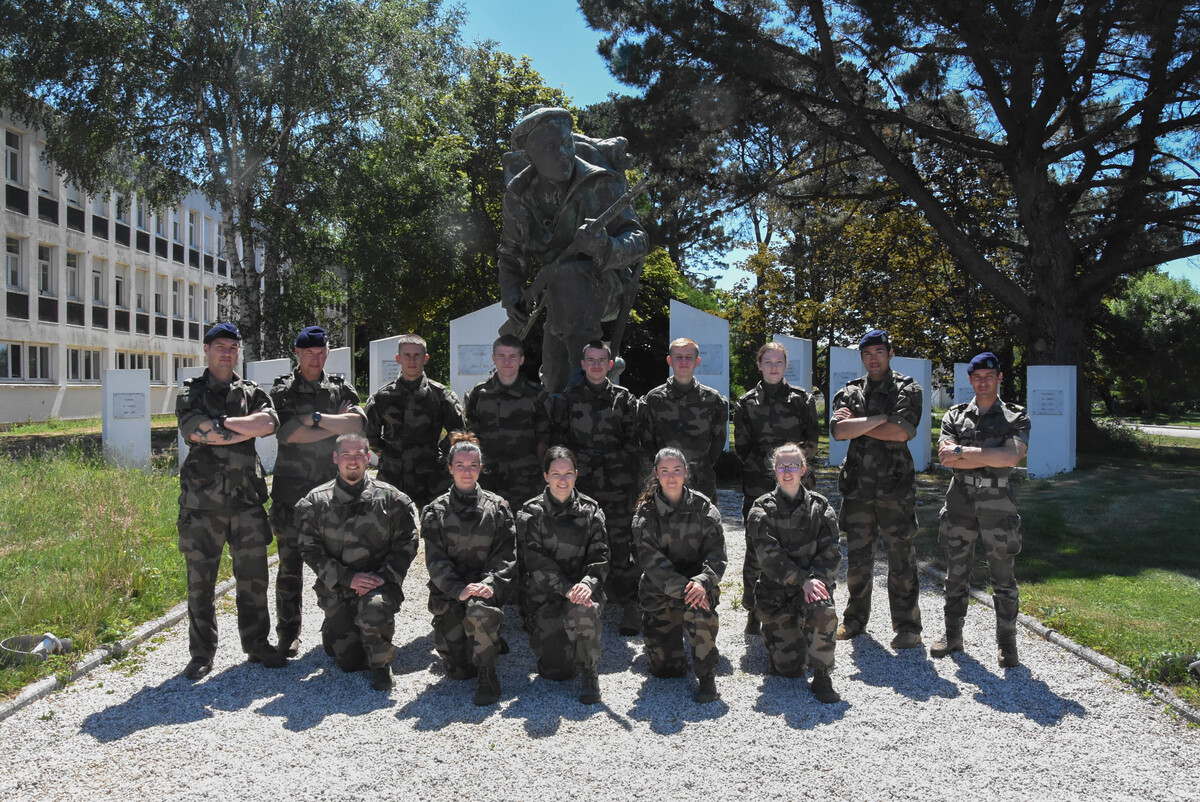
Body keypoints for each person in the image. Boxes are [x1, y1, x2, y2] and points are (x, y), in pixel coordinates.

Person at [497, 105, 648, 393]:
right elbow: (510, 252)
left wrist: (604, 246)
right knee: (555, 379)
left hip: (606, 285)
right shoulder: (518, 197)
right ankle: (564, 395)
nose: (564, 154)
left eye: (567, 143)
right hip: (558, 297)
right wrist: (513, 295)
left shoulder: (601, 182)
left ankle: (584, 387)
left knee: (568, 276)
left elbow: (639, 240)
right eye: (551, 148)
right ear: (530, 157)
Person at [175, 322, 283, 680]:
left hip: (246, 502)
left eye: (232, 347)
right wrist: (242, 428)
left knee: (254, 580)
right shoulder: (192, 392)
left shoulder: (252, 392)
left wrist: (221, 424)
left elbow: (269, 424)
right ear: (206, 350)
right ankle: (201, 653)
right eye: (220, 346)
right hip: (202, 505)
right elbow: (195, 430)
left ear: (239, 352)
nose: (226, 353)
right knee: (200, 585)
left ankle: (257, 644)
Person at [268, 325, 366, 657]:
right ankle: (288, 633)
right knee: (289, 566)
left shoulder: (340, 387)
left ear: (328, 352)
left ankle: (339, 629)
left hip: (332, 495)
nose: (315, 359)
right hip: (291, 494)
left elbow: (357, 425)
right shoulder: (283, 390)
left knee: (337, 563)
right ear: (297, 353)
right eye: (309, 353)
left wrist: (314, 418)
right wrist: (333, 425)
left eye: (321, 352)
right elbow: (288, 434)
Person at [295, 433, 420, 690]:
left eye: (358, 455)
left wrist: (382, 577)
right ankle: (337, 626)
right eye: (346, 455)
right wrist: (347, 578)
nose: (352, 461)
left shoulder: (392, 499)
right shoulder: (316, 502)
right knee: (348, 662)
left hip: (378, 585)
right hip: (338, 587)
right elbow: (309, 548)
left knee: (374, 608)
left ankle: (381, 665)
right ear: (335, 458)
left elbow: (407, 542)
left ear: (368, 457)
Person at [934, 352, 1031, 667]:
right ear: (970, 380)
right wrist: (990, 454)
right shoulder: (955, 415)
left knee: (1002, 575)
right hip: (960, 499)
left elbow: (1011, 458)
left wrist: (962, 451)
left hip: (998, 502)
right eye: (977, 377)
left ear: (999, 378)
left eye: (989, 376)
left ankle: (1007, 644)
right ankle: (952, 636)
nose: (983, 382)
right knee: (955, 572)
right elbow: (945, 458)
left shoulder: (1015, 416)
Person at [831, 329, 924, 649]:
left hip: (895, 489)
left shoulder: (907, 388)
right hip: (858, 488)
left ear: (890, 353)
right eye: (867, 354)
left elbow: (901, 433)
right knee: (857, 560)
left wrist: (861, 423)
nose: (873, 359)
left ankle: (908, 626)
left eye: (879, 352)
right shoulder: (850, 390)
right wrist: (882, 418)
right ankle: (854, 620)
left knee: (901, 559)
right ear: (861, 357)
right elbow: (839, 431)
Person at [550, 340, 642, 636]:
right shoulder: (568, 398)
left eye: (602, 360)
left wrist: (617, 471)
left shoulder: (624, 399)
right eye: (591, 360)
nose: (596, 365)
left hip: (616, 487)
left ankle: (628, 603)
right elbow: (560, 444)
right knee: (578, 544)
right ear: (583, 364)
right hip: (581, 487)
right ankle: (579, 601)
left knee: (619, 544)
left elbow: (633, 444)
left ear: (610, 365)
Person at [421, 433, 517, 706]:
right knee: (459, 672)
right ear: (450, 468)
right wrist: (458, 589)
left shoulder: (497, 508)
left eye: (473, 465)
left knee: (480, 611)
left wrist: (489, 583)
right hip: (451, 593)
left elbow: (505, 555)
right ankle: (482, 638)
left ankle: (488, 676)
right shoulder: (435, 511)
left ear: (481, 467)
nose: (467, 471)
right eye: (460, 465)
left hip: (485, 590)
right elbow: (435, 561)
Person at [733, 342, 820, 635]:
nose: (773, 367)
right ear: (759, 365)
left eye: (779, 362)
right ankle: (753, 609)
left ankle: (796, 607)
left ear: (785, 365)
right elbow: (743, 447)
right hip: (758, 487)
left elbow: (812, 442)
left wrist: (790, 470)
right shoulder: (747, 402)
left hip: (796, 487)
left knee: (799, 545)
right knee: (756, 549)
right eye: (768, 362)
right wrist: (773, 471)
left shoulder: (801, 400)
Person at [746, 445, 842, 703]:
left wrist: (815, 581)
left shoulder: (820, 507)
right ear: (774, 470)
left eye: (793, 466)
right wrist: (803, 579)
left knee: (822, 605)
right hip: (777, 596)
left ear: (803, 469)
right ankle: (787, 633)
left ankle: (822, 675)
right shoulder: (761, 509)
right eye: (781, 466)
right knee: (789, 669)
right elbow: (770, 559)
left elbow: (831, 554)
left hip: (810, 590)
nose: (787, 472)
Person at [632, 448, 727, 704]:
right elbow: (653, 565)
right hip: (660, 592)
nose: (671, 476)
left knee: (699, 609)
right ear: (656, 474)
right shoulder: (645, 514)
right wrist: (688, 588)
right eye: (665, 470)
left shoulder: (703, 508)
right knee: (666, 670)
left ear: (686, 472)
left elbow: (716, 555)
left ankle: (707, 676)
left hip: (697, 590)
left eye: (676, 470)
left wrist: (701, 582)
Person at [515, 447, 609, 704]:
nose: (563, 479)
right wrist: (566, 588)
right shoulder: (531, 513)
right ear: (546, 476)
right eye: (556, 474)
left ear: (576, 474)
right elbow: (535, 562)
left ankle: (589, 672)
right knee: (558, 673)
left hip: (581, 593)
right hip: (546, 597)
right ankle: (566, 641)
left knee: (582, 609)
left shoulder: (591, 510)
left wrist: (587, 584)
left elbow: (600, 556)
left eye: (568, 473)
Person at [364, 333, 465, 508]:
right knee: (390, 522)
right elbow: (369, 435)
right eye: (407, 355)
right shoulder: (382, 397)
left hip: (431, 478)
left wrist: (439, 456)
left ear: (426, 358)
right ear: (398, 358)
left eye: (417, 355)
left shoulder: (441, 395)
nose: (412, 360)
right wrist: (390, 454)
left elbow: (458, 431)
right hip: (393, 477)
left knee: (434, 522)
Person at [462, 334, 550, 508]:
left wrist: (543, 471)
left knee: (526, 520)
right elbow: (472, 436)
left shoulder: (536, 394)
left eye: (512, 356)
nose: (507, 361)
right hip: (488, 476)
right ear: (493, 358)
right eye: (501, 356)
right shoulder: (479, 394)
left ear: (521, 360)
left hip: (526, 477)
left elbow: (544, 437)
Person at [639, 337, 729, 502]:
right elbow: (646, 440)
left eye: (689, 357)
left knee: (705, 518)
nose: (683, 362)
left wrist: (702, 464)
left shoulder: (712, 399)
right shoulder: (655, 399)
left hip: (701, 480)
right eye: (678, 357)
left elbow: (718, 440)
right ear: (669, 360)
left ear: (697, 361)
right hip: (665, 480)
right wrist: (662, 467)